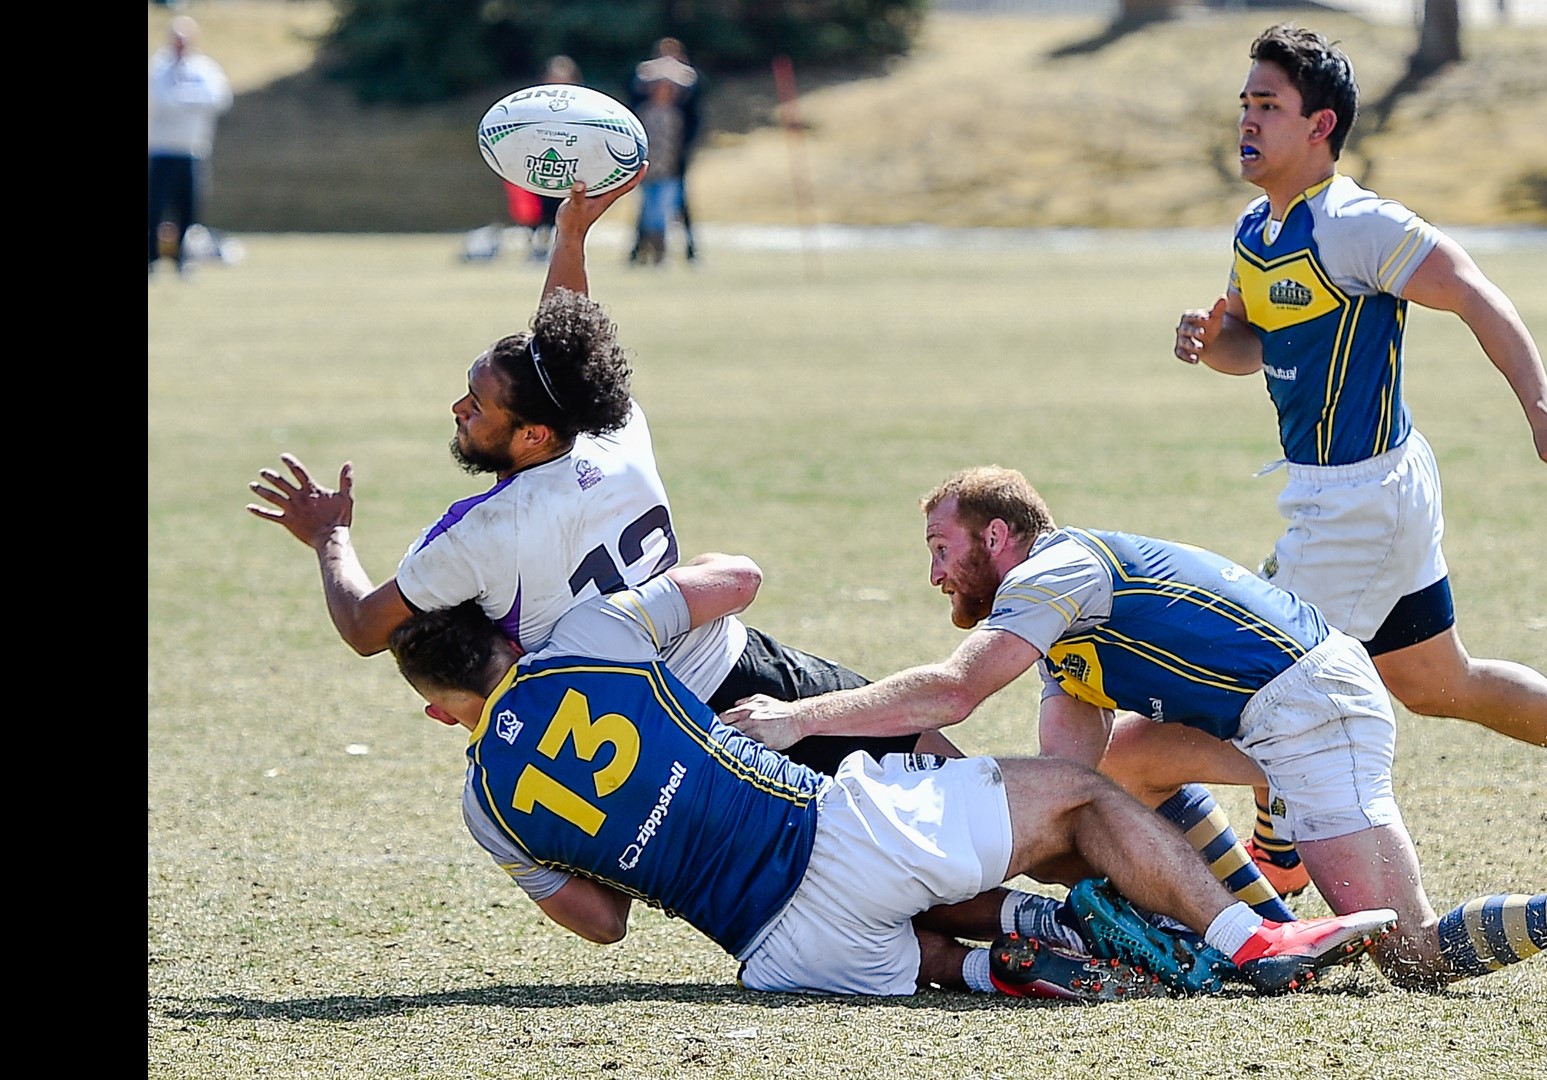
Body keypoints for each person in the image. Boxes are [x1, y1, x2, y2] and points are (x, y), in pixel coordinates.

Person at [247, 175, 1297, 926]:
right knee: (980, 800)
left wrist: (330, 539)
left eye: (477, 405)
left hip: (684, 726)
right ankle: (1211, 906)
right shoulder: (613, 431)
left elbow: (366, 626)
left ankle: (1150, 916)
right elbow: (568, 336)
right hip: (750, 661)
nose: (459, 411)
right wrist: (570, 232)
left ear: (529, 438)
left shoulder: (484, 534)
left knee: (934, 868)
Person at [723, 465, 1547, 1002]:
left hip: (1314, 711)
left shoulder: (1053, 573)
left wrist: (795, 719)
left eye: (942, 548)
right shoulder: (1066, 641)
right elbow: (1064, 803)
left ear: (998, 537)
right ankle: (1258, 927)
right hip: (1280, 712)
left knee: (1411, 954)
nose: (935, 574)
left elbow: (954, 690)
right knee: (1118, 776)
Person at [1157, 23, 1547, 898]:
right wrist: (1210, 341)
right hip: (1356, 493)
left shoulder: (1357, 224)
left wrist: (1542, 408)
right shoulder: (1257, 231)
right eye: (1245, 103)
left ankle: (1278, 870)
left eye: (1268, 106)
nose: (1247, 120)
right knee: (1440, 682)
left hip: (1361, 502)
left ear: (1321, 125)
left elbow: (1473, 289)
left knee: (1270, 677)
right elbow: (1251, 344)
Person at [386, 556, 1401, 999]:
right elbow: (737, 580)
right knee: (1079, 792)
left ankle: (998, 960)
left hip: (779, 953)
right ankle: (1251, 938)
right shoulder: (587, 640)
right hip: (839, 837)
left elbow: (603, 924)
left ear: (441, 711)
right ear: (507, 638)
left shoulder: (486, 809)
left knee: (922, 937)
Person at [148, 15, 232, 279]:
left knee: (189, 207)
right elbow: (162, 99)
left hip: (193, 149)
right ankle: (151, 258)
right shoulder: (159, 67)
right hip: (162, 149)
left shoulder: (204, 67)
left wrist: (183, 98)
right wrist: (194, 100)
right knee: (155, 207)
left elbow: (219, 97)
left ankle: (182, 259)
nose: (180, 44)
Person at [629, 38, 702, 264]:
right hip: (650, 168)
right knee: (649, 212)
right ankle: (644, 252)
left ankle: (680, 251)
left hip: (671, 168)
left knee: (669, 210)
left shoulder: (678, 115)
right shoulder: (646, 111)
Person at [527, 55, 585, 261]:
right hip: (540, 162)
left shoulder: (581, 108)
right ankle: (537, 245)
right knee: (537, 209)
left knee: (562, 208)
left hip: (567, 165)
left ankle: (558, 246)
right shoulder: (534, 106)